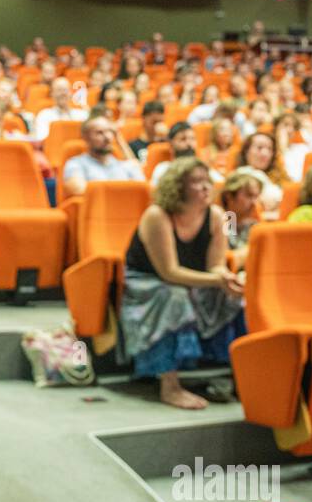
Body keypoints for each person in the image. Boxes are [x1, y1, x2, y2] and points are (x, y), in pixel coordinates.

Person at [119, 158, 246, 410]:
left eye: (207, 180)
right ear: (177, 188)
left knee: (234, 296)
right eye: (196, 182)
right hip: (146, 283)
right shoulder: (157, 215)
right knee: (174, 297)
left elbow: (216, 266)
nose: (205, 187)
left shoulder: (217, 215)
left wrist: (227, 278)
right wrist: (216, 280)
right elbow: (169, 272)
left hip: (192, 278)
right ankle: (170, 386)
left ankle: (235, 374)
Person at [62, 117, 145, 197]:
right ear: (86, 137)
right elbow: (78, 189)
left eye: (109, 132)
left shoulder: (126, 166)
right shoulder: (76, 164)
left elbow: (143, 191)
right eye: (99, 133)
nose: (107, 137)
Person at [231, 131, 289, 214]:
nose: (265, 153)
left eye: (270, 149)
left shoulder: (280, 174)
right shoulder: (240, 175)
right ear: (246, 152)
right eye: (259, 148)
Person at [219, 171, 262, 270]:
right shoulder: (216, 223)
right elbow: (224, 261)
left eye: (256, 197)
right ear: (229, 196)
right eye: (249, 196)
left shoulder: (255, 226)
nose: (255, 203)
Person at [32, 77, 88, 142]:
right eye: (59, 90)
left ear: (71, 93)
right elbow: (43, 140)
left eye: (65, 90)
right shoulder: (44, 115)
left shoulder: (83, 115)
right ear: (52, 94)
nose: (63, 93)